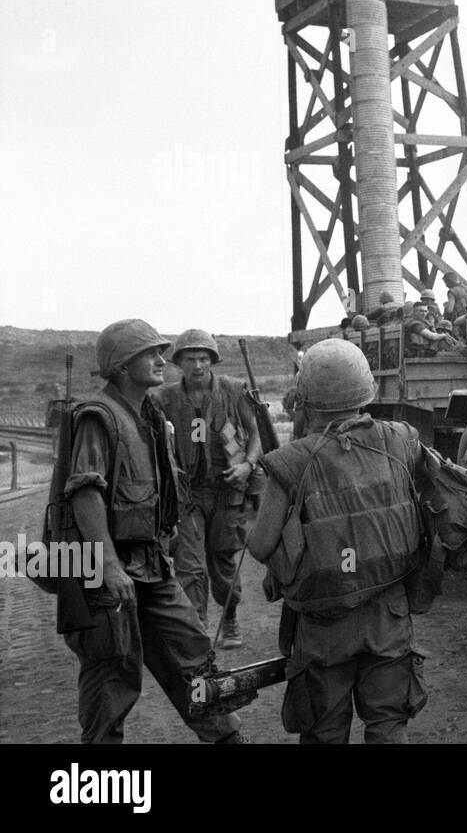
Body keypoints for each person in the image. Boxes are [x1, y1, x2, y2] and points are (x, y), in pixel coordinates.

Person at [62, 319, 245, 744]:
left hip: (150, 564)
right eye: (151, 354)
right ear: (123, 367)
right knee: (113, 674)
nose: (162, 361)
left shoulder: (149, 413)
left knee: (193, 652)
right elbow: (85, 493)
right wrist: (107, 566)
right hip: (106, 573)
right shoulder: (99, 416)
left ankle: (227, 738)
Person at [249, 339, 433, 743]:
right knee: (388, 725)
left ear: (305, 400)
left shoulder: (292, 460)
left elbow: (261, 545)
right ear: (367, 390)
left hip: (323, 626)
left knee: (325, 731)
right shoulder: (400, 439)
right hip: (389, 614)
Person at [152, 329, 262, 648]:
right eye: (190, 359)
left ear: (212, 361)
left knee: (223, 561)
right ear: (179, 363)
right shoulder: (164, 398)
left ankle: (229, 619)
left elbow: (255, 433)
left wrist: (248, 465)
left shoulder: (232, 391)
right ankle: (198, 626)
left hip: (227, 490)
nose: (197, 365)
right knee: (189, 564)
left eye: (203, 358)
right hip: (187, 494)